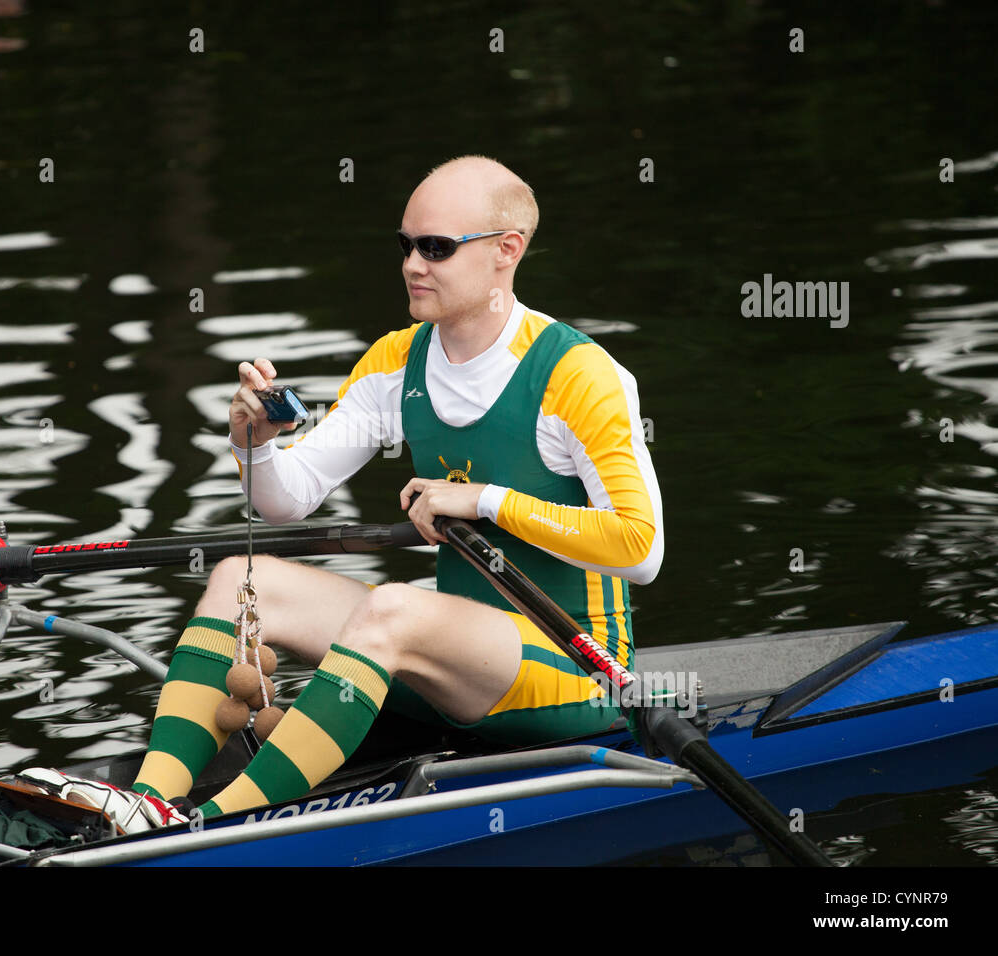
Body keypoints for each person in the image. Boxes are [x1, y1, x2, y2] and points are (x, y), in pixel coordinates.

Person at [124, 155, 664, 826]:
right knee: (241, 579)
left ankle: (214, 826)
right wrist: (254, 444)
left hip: (576, 674)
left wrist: (482, 501)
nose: (413, 264)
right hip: (455, 674)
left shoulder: (579, 376)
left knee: (397, 608)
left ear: (506, 252)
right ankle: (144, 805)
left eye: (436, 248)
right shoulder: (396, 362)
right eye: (406, 245)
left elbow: (641, 551)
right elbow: (287, 500)